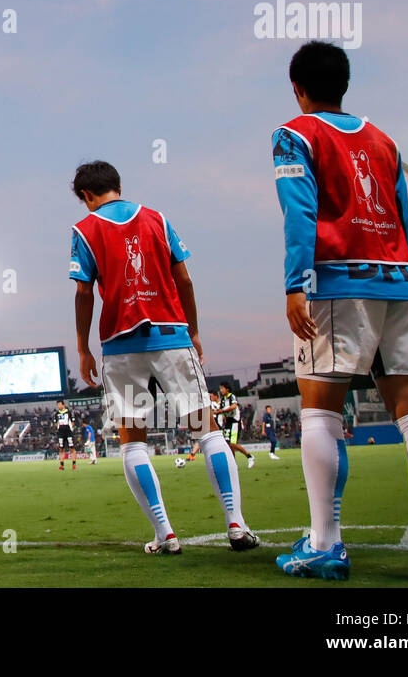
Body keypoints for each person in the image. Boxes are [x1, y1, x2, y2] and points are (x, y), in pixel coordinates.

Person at [271, 40, 408, 584]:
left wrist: (295, 286)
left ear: (299, 88)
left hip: (335, 283)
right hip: (397, 281)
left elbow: (300, 210)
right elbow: (404, 216)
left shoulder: (294, 133)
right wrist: (405, 278)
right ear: (345, 84)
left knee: (319, 411)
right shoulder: (385, 140)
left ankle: (326, 545)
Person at [70, 160, 258, 555]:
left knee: (132, 442)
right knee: (206, 431)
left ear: (87, 196)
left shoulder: (84, 230)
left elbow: (84, 293)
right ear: (119, 185)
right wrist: (193, 329)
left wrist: (83, 347)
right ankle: (236, 525)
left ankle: (166, 534)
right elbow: (184, 279)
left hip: (120, 346)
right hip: (171, 336)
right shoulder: (157, 218)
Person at [217, 383, 255, 469]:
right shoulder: (223, 400)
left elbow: (234, 406)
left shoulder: (232, 397)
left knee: (232, 443)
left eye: (222, 388)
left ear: (227, 389)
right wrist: (223, 416)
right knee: (228, 444)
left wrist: (222, 411)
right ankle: (233, 464)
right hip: (227, 423)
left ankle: (249, 456)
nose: (221, 390)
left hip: (235, 422)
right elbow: (222, 411)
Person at [55, 399, 77, 470]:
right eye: (57, 405)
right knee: (61, 449)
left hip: (68, 432)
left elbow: (73, 422)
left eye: (60, 404)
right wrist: (58, 428)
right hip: (61, 433)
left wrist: (71, 429)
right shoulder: (57, 413)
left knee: (71, 448)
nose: (58, 406)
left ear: (63, 405)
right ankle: (62, 465)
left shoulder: (69, 412)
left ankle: (74, 464)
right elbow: (56, 423)